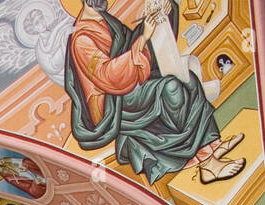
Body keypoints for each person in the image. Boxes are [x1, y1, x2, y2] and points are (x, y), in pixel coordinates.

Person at [64, 0, 245, 185]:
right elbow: (109, 75)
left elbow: (127, 46)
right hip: (114, 102)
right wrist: (144, 37)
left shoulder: (104, 20)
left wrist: (159, 16)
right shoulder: (81, 39)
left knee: (186, 78)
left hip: (129, 84)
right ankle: (208, 166)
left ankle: (210, 145)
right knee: (170, 87)